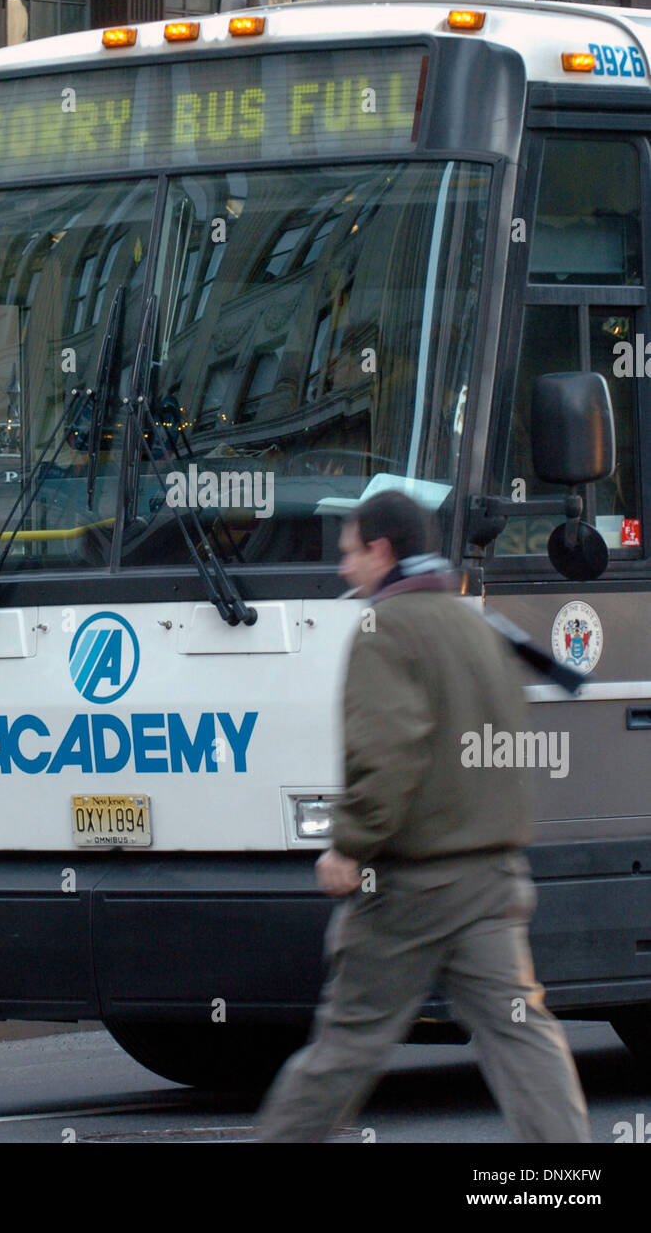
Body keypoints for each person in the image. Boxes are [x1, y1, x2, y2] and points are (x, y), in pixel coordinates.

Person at [256, 489, 590, 1143]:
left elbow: (386, 752)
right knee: (520, 1034)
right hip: (492, 877)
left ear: (381, 550)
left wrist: (348, 845)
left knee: (347, 1044)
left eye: (349, 553)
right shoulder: (474, 622)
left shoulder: (387, 629)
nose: (343, 570)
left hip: (411, 886)